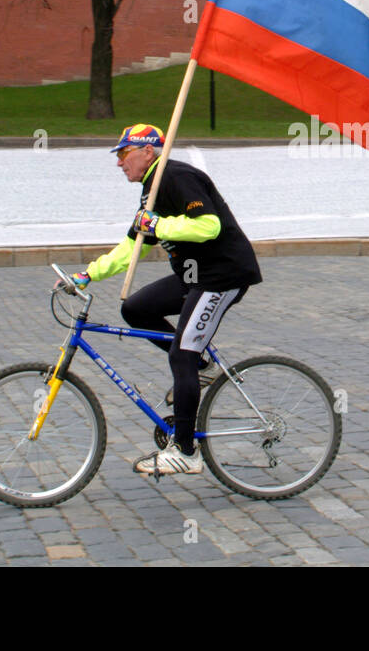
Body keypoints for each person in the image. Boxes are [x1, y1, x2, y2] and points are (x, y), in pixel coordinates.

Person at [68, 123, 262, 477]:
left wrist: (159, 226)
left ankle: (186, 452)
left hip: (223, 274)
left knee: (181, 353)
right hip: (194, 275)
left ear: (148, 151)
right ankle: (205, 370)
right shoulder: (150, 191)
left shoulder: (174, 176)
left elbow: (209, 227)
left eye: (124, 153)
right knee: (135, 309)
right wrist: (88, 274)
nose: (119, 162)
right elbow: (132, 246)